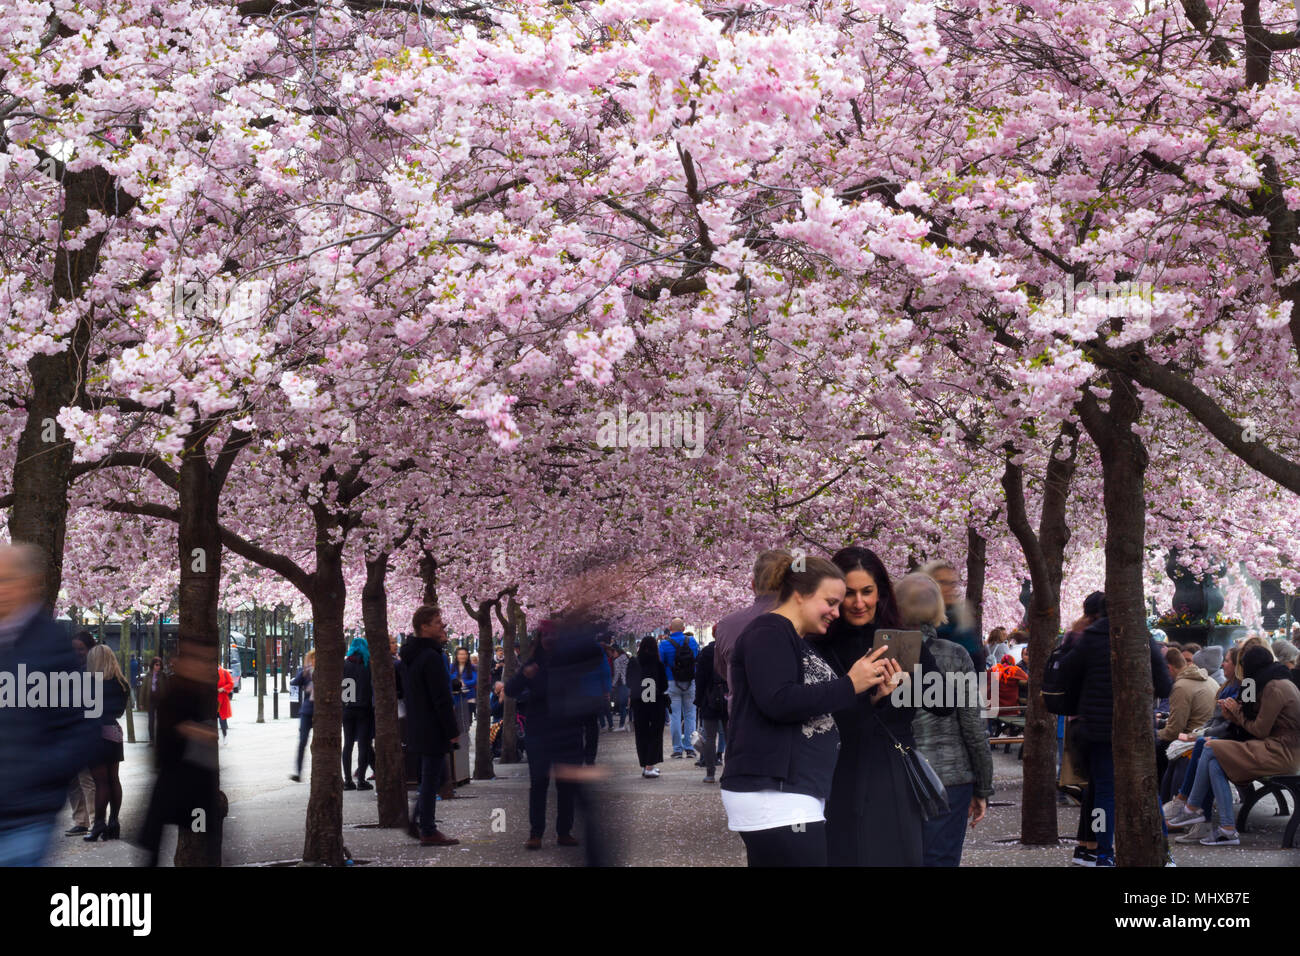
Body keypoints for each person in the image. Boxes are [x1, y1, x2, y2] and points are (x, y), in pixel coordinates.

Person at [720, 551, 899, 867]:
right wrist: (850, 683)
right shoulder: (769, 630)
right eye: (830, 602)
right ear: (800, 594)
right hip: (775, 794)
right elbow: (778, 700)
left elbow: (811, 704)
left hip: (789, 794)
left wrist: (869, 696)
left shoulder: (791, 637)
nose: (836, 612)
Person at [821, 546, 949, 866]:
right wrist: (864, 694)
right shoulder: (819, 642)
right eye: (849, 593)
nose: (859, 602)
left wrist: (905, 685)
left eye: (867, 591)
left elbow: (945, 703)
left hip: (892, 771)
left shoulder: (902, 639)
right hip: (837, 772)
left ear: (881, 593)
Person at [0, 545, 99, 865]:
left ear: (29, 584)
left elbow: (83, 723)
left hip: (26, 818)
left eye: (7, 580)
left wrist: (40, 774)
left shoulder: (52, 644)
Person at [1058, 593, 1172, 866]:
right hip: (1135, 727)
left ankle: (1103, 854)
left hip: (1096, 729)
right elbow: (1164, 684)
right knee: (1148, 790)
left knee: (1104, 794)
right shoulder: (1140, 636)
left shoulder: (1090, 637)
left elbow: (1066, 675)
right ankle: (1163, 851)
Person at [903, 573, 994, 867]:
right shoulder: (956, 655)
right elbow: (973, 726)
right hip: (951, 779)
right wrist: (982, 787)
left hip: (897, 776)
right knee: (940, 858)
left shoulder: (881, 653)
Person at [1168, 644, 1300, 845]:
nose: (1228, 665)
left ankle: (1192, 807)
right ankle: (1226, 828)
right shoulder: (1254, 682)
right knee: (1213, 759)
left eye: (1233, 661)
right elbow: (1246, 718)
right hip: (1268, 745)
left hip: (1280, 751)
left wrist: (1236, 713)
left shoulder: (1273, 687)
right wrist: (1234, 713)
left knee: (1209, 747)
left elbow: (1259, 729)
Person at [138, 639, 222, 866]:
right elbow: (173, 725)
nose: (204, 666)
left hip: (193, 775)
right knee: (158, 833)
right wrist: (199, 732)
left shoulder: (196, 690)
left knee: (201, 829)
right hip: (178, 774)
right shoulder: (177, 689)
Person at [400, 606, 461, 846]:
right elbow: (441, 698)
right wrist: (452, 731)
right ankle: (427, 828)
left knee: (435, 777)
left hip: (418, 723)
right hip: (433, 726)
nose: (443, 626)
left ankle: (418, 822)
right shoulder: (432, 657)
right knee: (432, 778)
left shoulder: (410, 655)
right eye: (438, 622)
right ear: (424, 627)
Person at [713, 550, 785, 705]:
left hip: (742, 717)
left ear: (753, 585)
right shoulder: (806, 620)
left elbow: (724, 670)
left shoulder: (726, 624)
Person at [82, 645, 130, 841]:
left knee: (100, 782)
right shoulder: (122, 684)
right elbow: (119, 712)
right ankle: (114, 821)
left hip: (95, 735)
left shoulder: (90, 683)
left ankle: (99, 824)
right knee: (114, 779)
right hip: (113, 732)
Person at [1156, 647, 1216, 782]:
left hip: (1191, 740)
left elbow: (1173, 732)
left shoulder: (1181, 686)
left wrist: (1152, 733)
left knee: (1152, 747)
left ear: (1169, 668)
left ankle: (1161, 797)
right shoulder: (1208, 679)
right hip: (1206, 735)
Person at [920, 559, 986, 672]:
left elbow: (978, 666)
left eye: (952, 583)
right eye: (942, 582)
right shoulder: (917, 621)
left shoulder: (962, 623)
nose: (949, 588)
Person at [65, 631, 98, 836]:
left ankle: (94, 820)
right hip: (69, 731)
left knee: (86, 778)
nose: (78, 653)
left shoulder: (94, 672)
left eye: (81, 649)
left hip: (84, 731)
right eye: (74, 649)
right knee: (72, 780)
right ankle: (81, 820)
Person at [626, 636, 668, 777]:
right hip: (656, 702)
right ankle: (651, 765)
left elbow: (628, 682)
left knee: (641, 733)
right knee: (655, 733)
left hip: (639, 702)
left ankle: (645, 765)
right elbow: (664, 685)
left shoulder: (634, 662)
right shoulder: (657, 664)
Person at [659, 619, 700, 759]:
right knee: (690, 715)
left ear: (670, 628)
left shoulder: (664, 644)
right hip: (690, 682)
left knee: (674, 716)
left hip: (671, 682)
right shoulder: (692, 642)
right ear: (683, 628)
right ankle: (689, 748)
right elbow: (696, 658)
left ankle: (677, 749)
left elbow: (660, 664)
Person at [342, 636, 375, 790]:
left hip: (347, 708)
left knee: (347, 744)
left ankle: (348, 780)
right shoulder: (368, 666)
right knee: (364, 744)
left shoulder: (344, 665)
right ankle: (361, 779)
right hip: (364, 709)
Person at [694, 641, 727, 782]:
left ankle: (710, 773)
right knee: (729, 736)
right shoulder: (729, 649)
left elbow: (699, 679)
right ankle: (729, 772)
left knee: (709, 738)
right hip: (727, 697)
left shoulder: (706, 653)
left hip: (709, 699)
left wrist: (699, 699)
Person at [290, 650, 315, 782]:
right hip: (307, 711)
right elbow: (294, 683)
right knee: (302, 741)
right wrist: (304, 672)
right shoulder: (306, 673)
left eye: (315, 658)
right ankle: (298, 772)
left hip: (321, 713)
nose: (314, 661)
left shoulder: (326, 673)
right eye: (312, 658)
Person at [136, 657, 167, 745]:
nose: (158, 667)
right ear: (153, 665)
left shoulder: (163, 675)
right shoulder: (148, 676)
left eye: (160, 665)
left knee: (161, 721)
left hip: (161, 701)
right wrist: (141, 703)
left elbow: (167, 688)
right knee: (151, 720)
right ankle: (151, 739)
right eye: (156, 665)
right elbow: (143, 690)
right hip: (151, 701)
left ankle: (160, 739)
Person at [450, 646, 476, 728]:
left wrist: (464, 683)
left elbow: (475, 680)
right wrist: (456, 682)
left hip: (468, 697)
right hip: (455, 697)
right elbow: (448, 678)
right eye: (460, 654)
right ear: (456, 656)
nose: (462, 656)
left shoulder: (472, 667)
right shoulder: (451, 667)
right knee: (455, 722)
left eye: (464, 654)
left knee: (466, 723)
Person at [610, 643, 630, 730]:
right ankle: (628, 723)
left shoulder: (617, 660)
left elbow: (617, 674)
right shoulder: (626, 657)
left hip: (621, 684)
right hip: (628, 683)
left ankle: (621, 725)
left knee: (622, 705)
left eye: (613, 653)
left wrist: (612, 684)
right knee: (626, 705)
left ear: (616, 652)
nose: (612, 655)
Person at [217, 663, 234, 741]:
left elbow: (231, 683)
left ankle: (225, 736)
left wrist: (223, 688)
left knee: (222, 719)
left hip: (222, 699)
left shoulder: (224, 672)